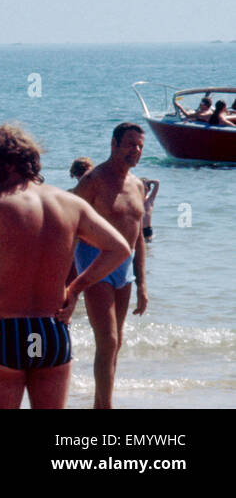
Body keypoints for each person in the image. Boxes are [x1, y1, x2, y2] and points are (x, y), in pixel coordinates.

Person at [0, 123, 131, 410]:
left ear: (8, 164)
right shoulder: (70, 204)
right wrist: (75, 289)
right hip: (52, 330)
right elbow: (120, 249)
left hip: (5, 332)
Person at [69, 123, 150, 409]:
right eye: (130, 144)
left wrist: (142, 283)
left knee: (117, 342)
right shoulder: (93, 180)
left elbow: (138, 236)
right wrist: (64, 282)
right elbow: (68, 225)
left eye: (140, 146)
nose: (135, 150)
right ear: (114, 144)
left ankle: (100, 404)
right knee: (108, 340)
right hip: (95, 260)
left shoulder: (138, 185)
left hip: (124, 266)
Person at [141, 178, 159, 243]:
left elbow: (157, 183)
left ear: (149, 189)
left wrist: (149, 182)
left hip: (147, 229)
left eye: (145, 189)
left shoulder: (150, 199)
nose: (143, 191)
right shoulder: (136, 199)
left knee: (148, 246)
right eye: (141, 189)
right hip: (138, 229)